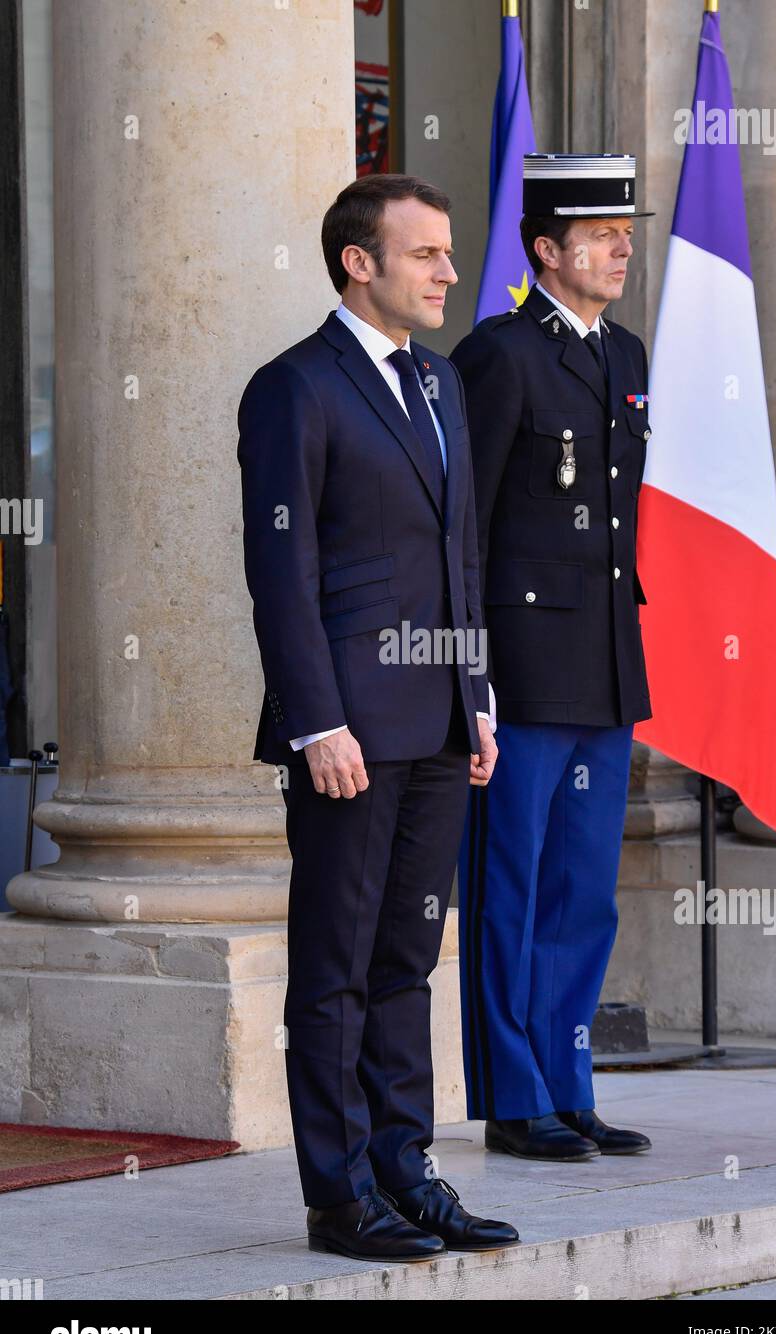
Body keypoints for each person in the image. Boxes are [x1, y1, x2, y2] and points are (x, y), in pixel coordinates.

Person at [237, 173, 518, 1259]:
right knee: (337, 964)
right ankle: (339, 1194)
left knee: (408, 962)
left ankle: (409, 1173)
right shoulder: (292, 389)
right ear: (359, 262)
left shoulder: (443, 384)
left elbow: (462, 558)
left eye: (448, 252)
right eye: (427, 254)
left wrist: (477, 695)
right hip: (347, 729)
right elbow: (281, 567)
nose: (450, 271)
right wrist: (314, 721)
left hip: (441, 721)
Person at [451, 153, 654, 1161]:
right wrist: (468, 673)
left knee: (583, 888)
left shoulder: (628, 356)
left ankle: (567, 1079)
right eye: (600, 233)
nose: (621, 246)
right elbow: (465, 528)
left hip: (604, 660)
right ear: (544, 249)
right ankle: (512, 1094)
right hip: (522, 664)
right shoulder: (496, 355)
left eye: (626, 231)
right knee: (510, 886)